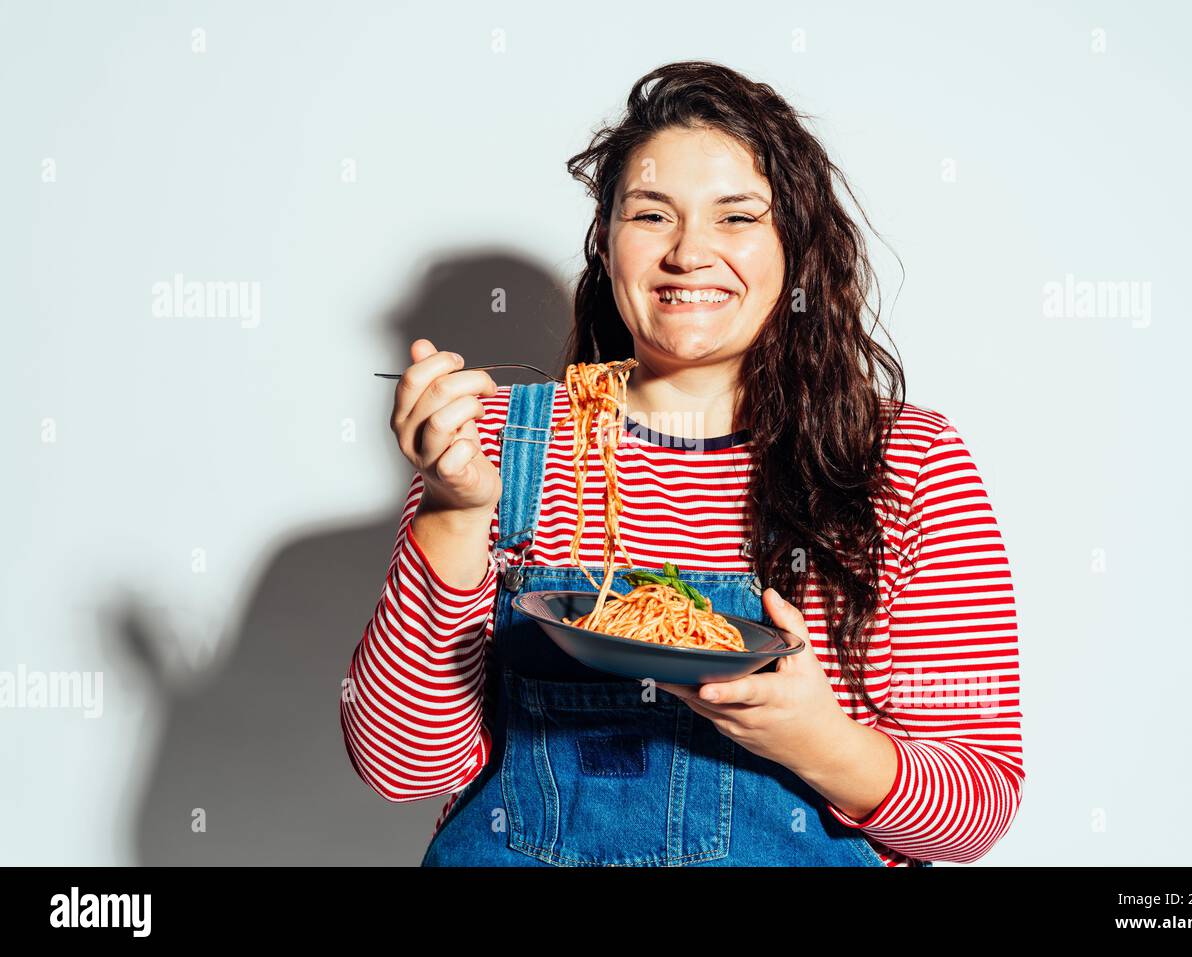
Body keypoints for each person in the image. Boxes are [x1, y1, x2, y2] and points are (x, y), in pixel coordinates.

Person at [341, 60, 1025, 866]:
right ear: (607, 242)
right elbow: (400, 768)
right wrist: (453, 511)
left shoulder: (901, 460)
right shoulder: (489, 440)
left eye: (736, 217)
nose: (689, 253)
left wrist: (815, 737)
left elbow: (975, 811)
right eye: (652, 214)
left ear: (795, 249)